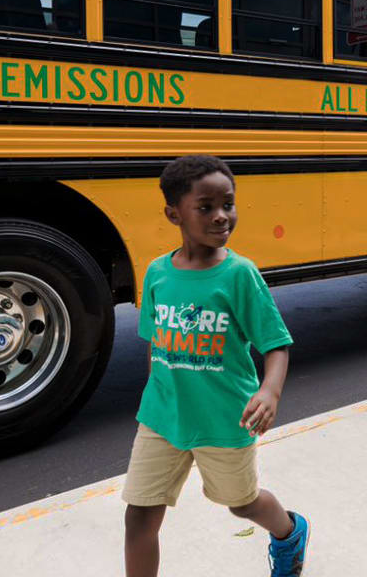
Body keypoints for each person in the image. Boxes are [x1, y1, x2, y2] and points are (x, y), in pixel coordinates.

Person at [123, 155, 311, 577]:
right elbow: (155, 346)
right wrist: (160, 397)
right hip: (162, 418)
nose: (221, 216)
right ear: (174, 214)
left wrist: (269, 391)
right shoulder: (156, 273)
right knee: (139, 516)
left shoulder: (239, 274)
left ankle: (289, 532)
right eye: (205, 207)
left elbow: (276, 343)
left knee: (241, 503)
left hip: (226, 420)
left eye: (228, 204)